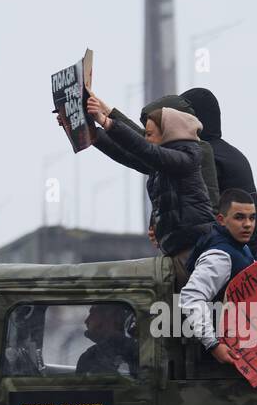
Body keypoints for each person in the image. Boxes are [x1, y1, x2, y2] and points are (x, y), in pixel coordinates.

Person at [87, 95, 215, 283]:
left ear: (168, 134)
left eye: (149, 134)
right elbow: (128, 153)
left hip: (194, 252)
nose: (145, 138)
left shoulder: (187, 157)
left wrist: (106, 122)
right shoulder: (162, 164)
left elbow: (143, 149)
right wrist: (90, 132)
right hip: (175, 249)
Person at [180, 190, 257, 366]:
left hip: (245, 347)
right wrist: (213, 345)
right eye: (239, 217)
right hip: (228, 358)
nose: (248, 225)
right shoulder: (220, 256)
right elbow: (190, 297)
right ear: (221, 220)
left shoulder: (240, 246)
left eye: (252, 218)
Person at [180, 87, 257, 252]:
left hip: (223, 255)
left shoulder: (205, 155)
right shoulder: (232, 154)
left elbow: (201, 211)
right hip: (244, 252)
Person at [75, 304, 138, 377]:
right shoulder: (89, 356)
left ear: (111, 318)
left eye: (92, 313)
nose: (86, 321)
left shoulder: (135, 353)